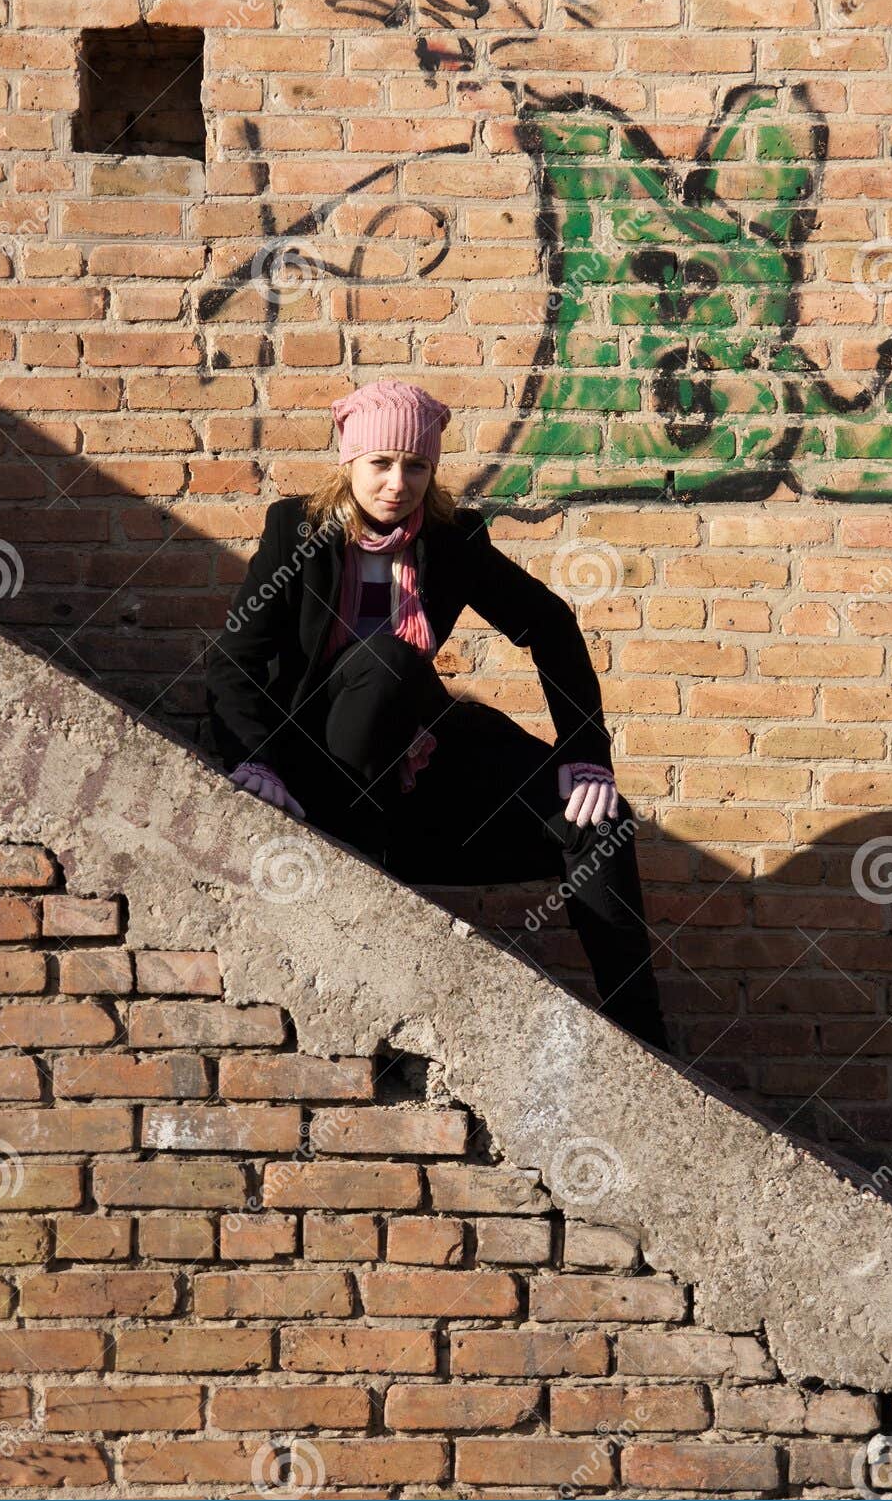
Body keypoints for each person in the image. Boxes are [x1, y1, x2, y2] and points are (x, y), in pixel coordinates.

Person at [205, 379, 670, 1054]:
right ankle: (359, 927)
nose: (398, 482)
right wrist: (255, 762)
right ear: (350, 462)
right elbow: (235, 663)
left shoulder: (452, 540)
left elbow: (550, 624)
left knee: (600, 823)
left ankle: (647, 1043)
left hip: (413, 760)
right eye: (381, 464)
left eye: (416, 465)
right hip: (316, 768)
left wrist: (585, 752)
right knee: (390, 661)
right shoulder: (296, 531)